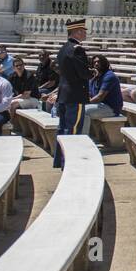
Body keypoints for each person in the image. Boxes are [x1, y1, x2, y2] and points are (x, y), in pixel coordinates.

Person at [53, 19, 93, 169]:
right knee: (73, 128)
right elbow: (83, 73)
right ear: (76, 32)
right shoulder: (77, 49)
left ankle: (59, 160)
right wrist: (93, 72)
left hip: (63, 94)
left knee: (62, 128)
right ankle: (68, 162)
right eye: (83, 31)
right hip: (75, 95)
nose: (85, 34)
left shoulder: (63, 48)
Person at [82, 55, 123, 128]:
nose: (96, 64)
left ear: (104, 63)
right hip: (100, 105)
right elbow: (88, 93)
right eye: (94, 62)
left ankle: (82, 137)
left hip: (111, 108)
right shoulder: (95, 77)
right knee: (77, 109)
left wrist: (84, 103)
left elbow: (100, 97)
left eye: (99, 62)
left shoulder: (109, 76)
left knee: (83, 111)